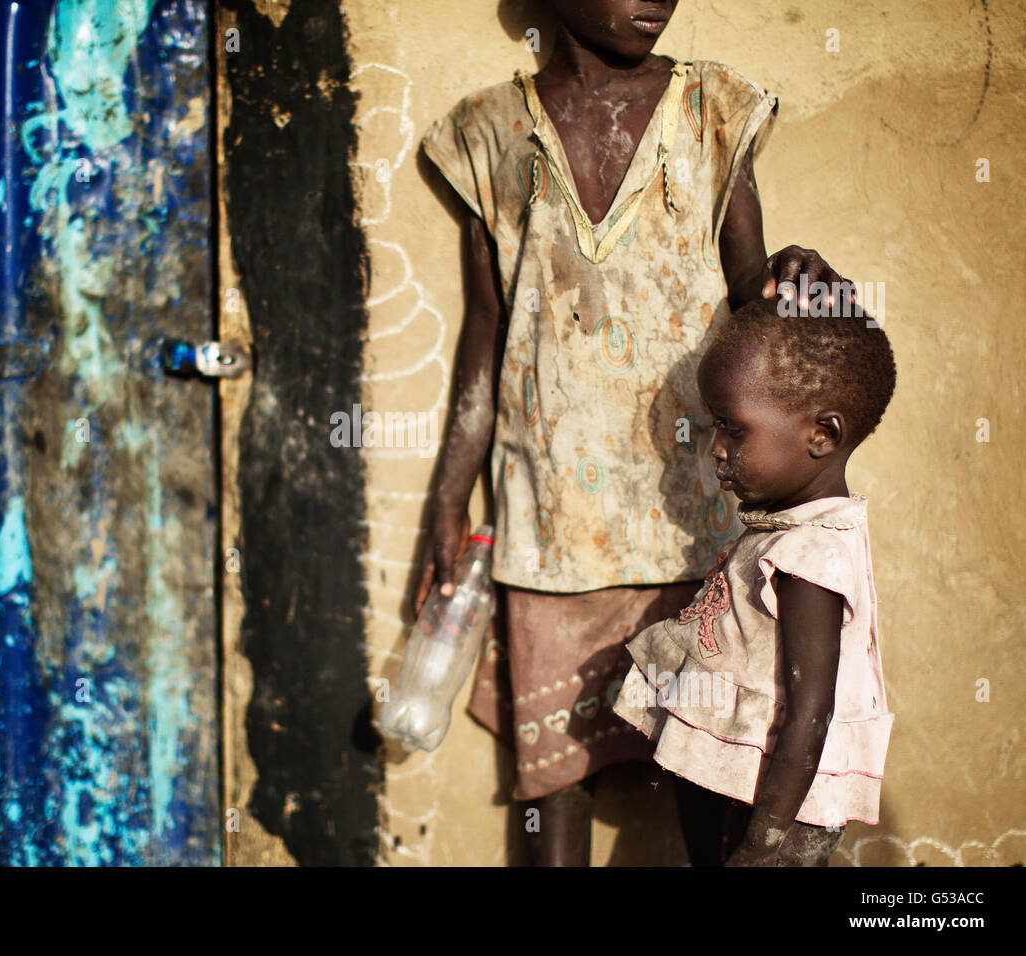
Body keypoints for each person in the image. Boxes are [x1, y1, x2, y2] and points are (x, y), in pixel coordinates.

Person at [412, 0, 856, 865]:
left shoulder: (711, 111)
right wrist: (447, 495)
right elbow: (484, 339)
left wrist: (795, 272)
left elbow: (750, 288)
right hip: (551, 531)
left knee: (709, 771)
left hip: (696, 525)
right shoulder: (490, 133)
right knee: (557, 784)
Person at [612, 296, 896, 866]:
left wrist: (761, 846)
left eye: (731, 428)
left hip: (767, 805)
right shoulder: (785, 524)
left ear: (821, 435)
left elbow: (810, 713)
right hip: (740, 784)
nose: (715, 447)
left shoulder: (811, 554)